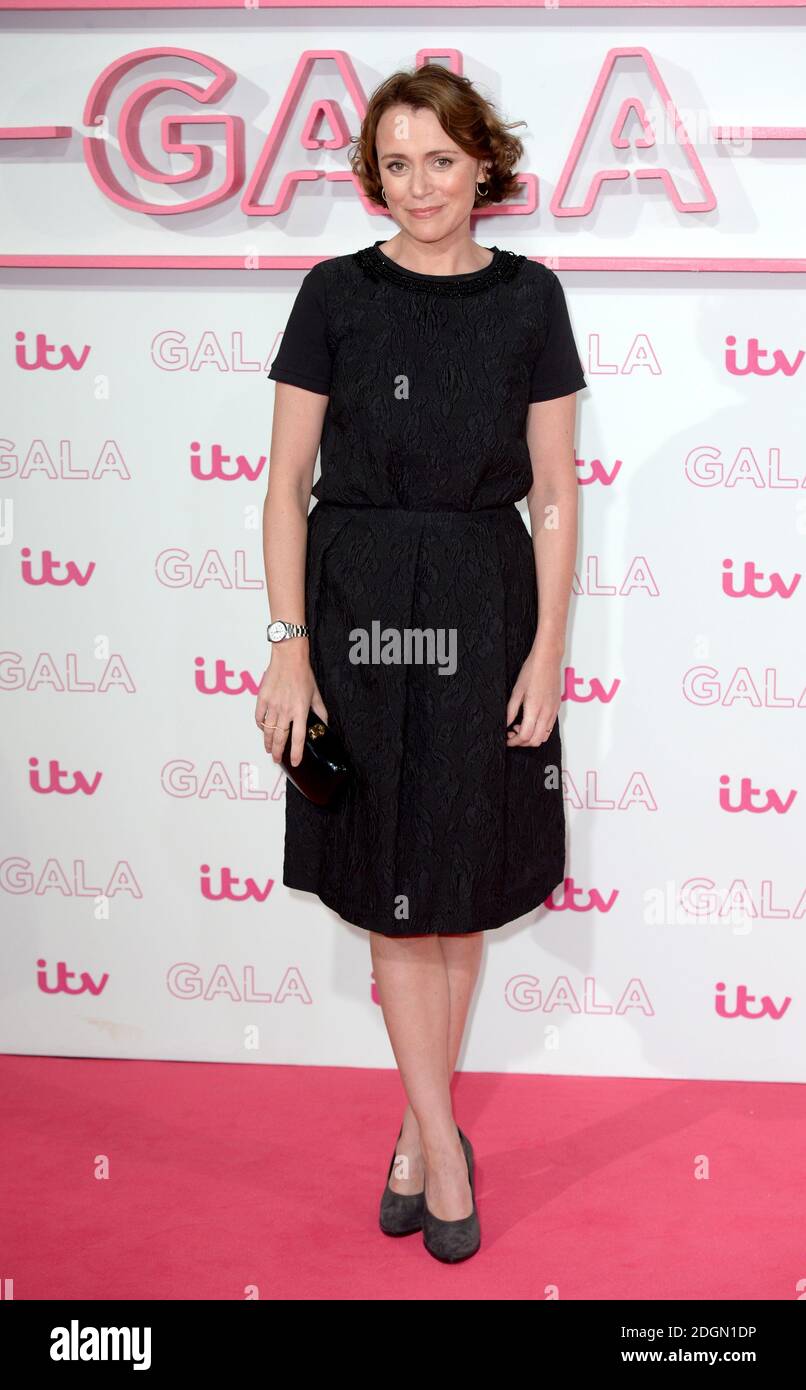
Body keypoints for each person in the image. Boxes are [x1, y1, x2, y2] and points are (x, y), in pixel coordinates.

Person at [256, 65, 587, 1263]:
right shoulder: (334, 294)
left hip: (484, 602)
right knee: (397, 882)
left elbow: (553, 492)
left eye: (439, 160)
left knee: (451, 894)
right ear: (371, 174)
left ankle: (412, 1127)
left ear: (481, 165)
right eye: (394, 164)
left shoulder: (530, 298)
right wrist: (289, 652)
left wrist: (548, 649)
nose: (418, 185)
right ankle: (444, 1148)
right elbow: (284, 486)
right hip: (352, 605)